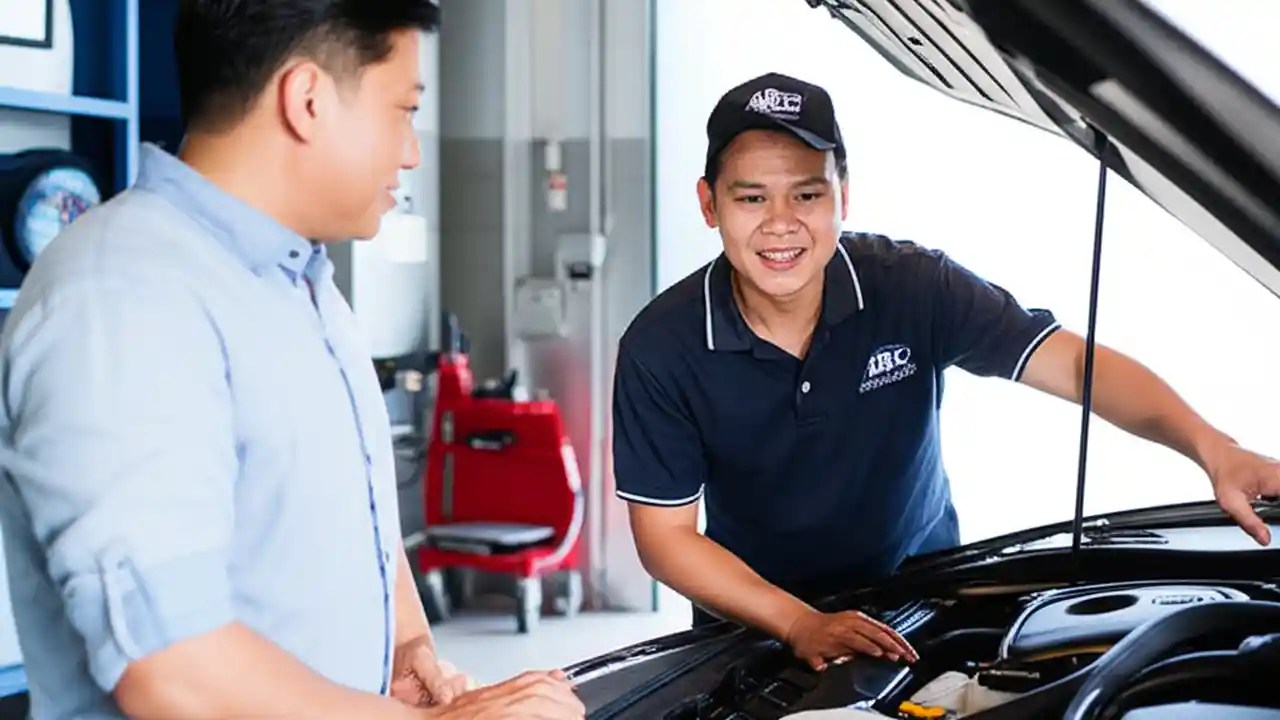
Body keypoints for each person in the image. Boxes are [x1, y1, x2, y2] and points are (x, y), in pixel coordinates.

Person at [0, 2, 584, 719]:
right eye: (403, 111)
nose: (412, 152)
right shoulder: (122, 295)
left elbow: (351, 509)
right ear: (306, 100)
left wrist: (405, 647)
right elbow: (171, 667)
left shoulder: (304, 286)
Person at [611, 71, 1280, 672]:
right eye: (751, 199)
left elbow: (1074, 363)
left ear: (843, 194)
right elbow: (668, 538)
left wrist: (1210, 446)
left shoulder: (915, 288)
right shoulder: (662, 348)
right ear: (709, 204)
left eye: (807, 194)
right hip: (752, 626)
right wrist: (797, 622)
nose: (781, 225)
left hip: (921, 604)